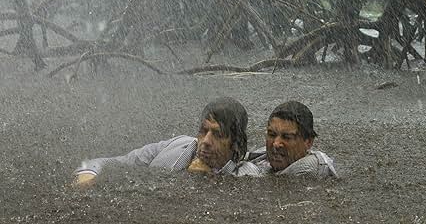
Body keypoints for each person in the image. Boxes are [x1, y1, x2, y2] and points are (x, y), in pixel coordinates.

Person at [74, 97, 261, 187]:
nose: (205, 141)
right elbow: (108, 162)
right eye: (203, 131)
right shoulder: (177, 145)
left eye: (218, 134)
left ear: (236, 143)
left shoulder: (247, 177)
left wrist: (202, 180)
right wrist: (86, 175)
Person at [250, 101, 338, 178]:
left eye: (287, 137)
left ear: (308, 142)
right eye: (272, 134)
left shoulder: (311, 168)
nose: (276, 144)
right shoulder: (261, 157)